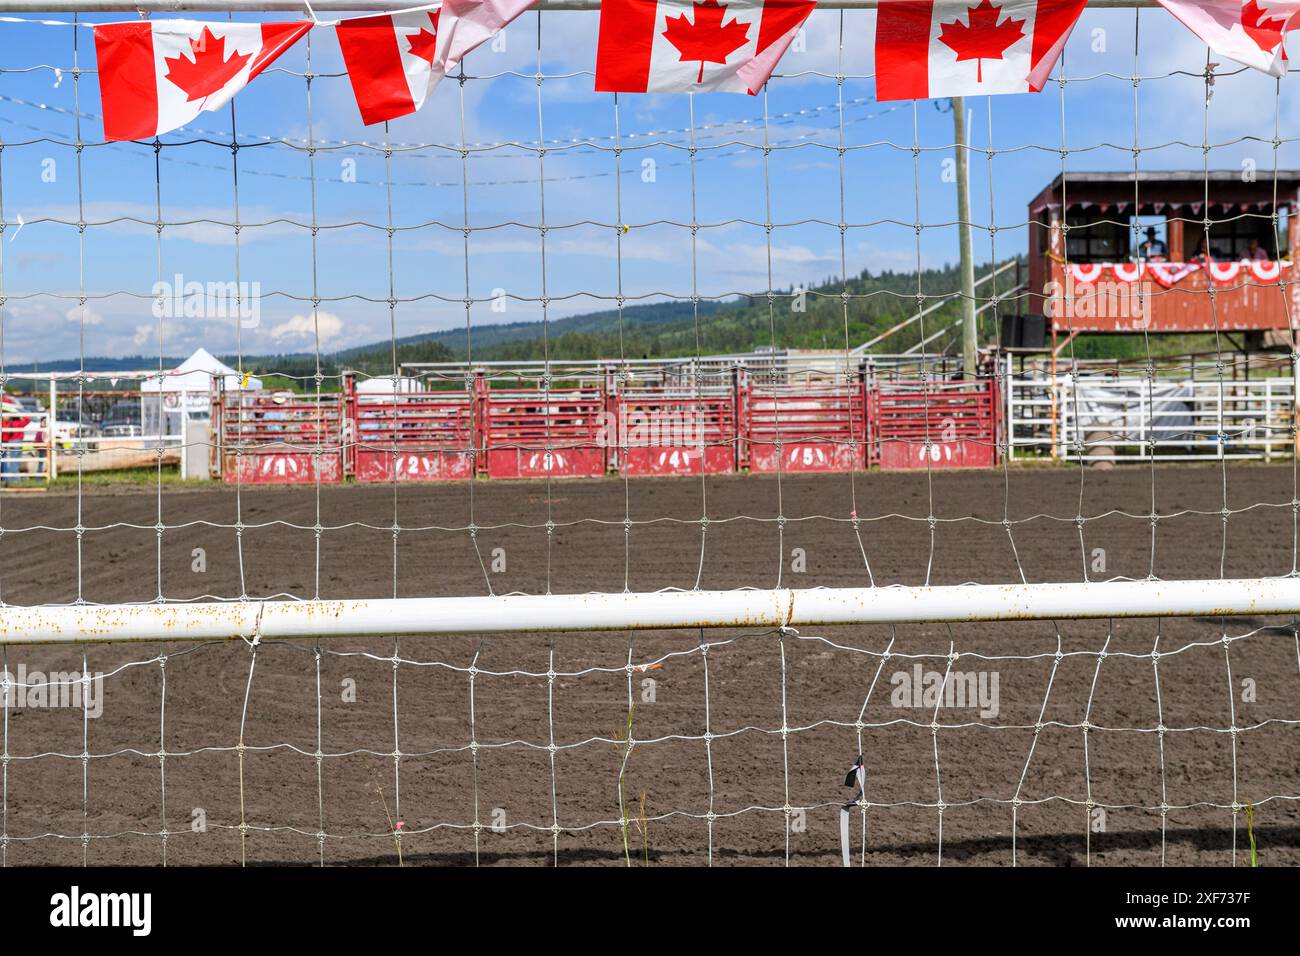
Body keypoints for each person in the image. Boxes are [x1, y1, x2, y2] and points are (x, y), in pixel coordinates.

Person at [1, 396, 31, 480]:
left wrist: (18, 414)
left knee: (12, 461)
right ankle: (11, 479)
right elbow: (27, 419)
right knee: (10, 461)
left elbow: (27, 419)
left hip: (11, 442)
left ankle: (12, 479)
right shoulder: (7, 422)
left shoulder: (15, 422)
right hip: (8, 442)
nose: (5, 416)